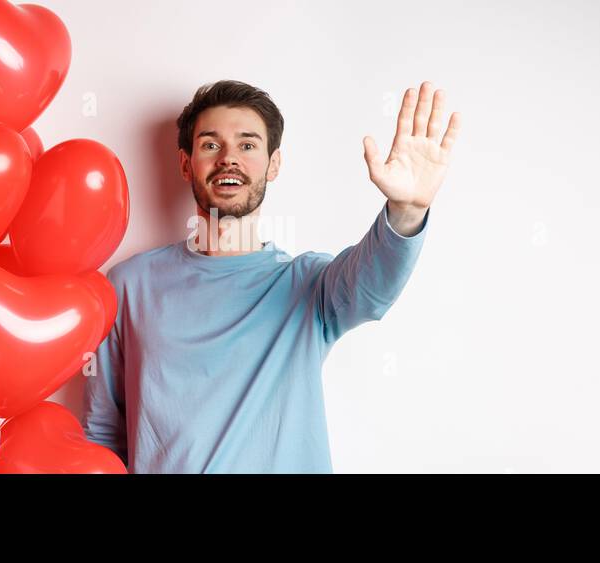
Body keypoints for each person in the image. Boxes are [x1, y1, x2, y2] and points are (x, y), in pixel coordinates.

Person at [81, 79, 461, 473]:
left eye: (247, 145)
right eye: (211, 145)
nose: (229, 158)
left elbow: (372, 286)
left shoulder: (307, 285)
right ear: (185, 163)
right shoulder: (129, 285)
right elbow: (102, 431)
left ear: (273, 164)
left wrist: (407, 211)